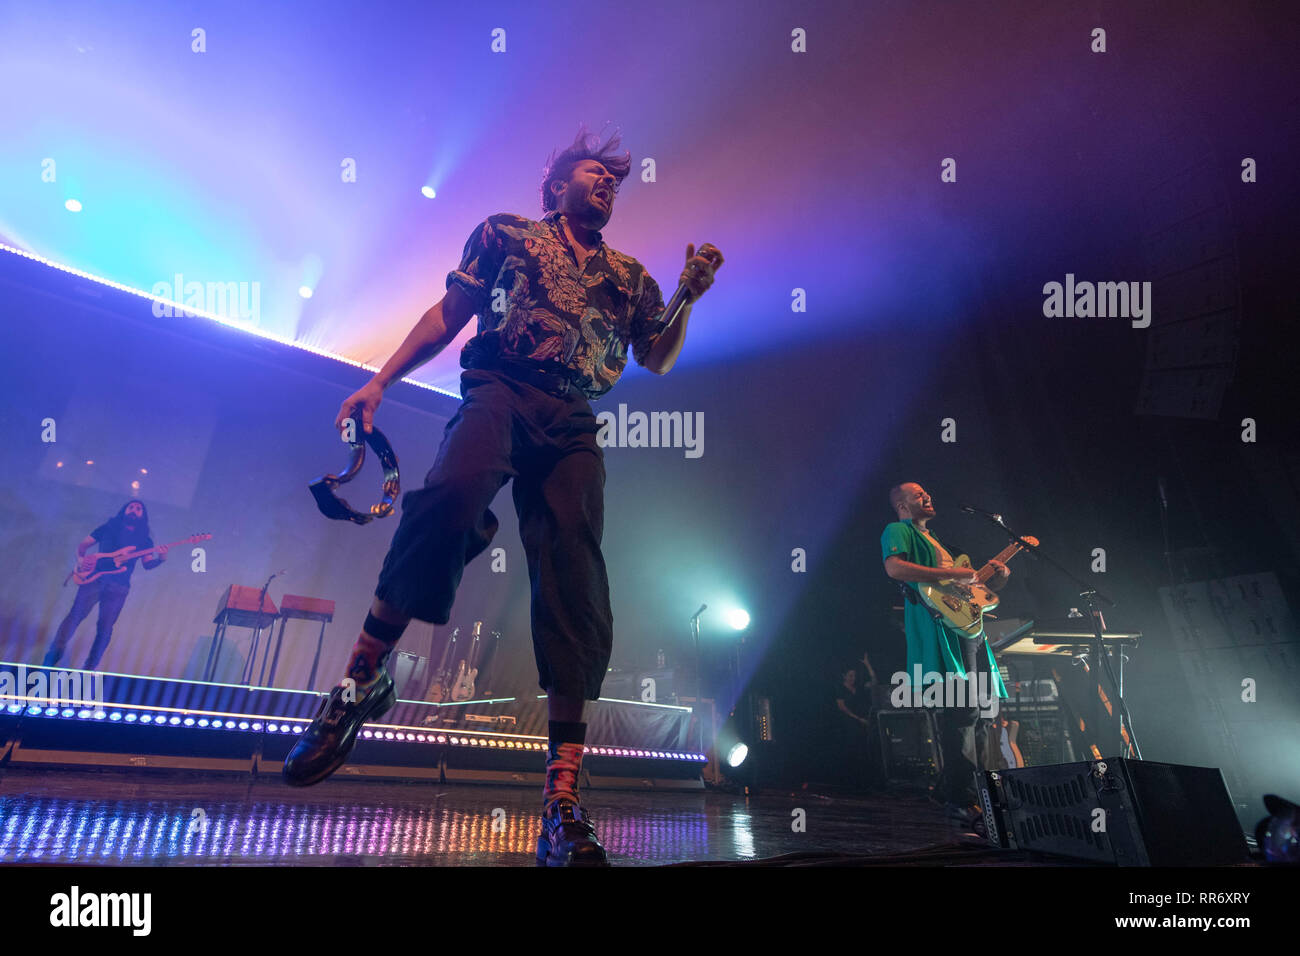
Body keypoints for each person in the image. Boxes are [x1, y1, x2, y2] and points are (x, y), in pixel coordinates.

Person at [283, 126, 723, 867]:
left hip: (573, 415)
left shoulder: (630, 276)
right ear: (556, 187)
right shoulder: (505, 233)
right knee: (451, 496)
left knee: (575, 574)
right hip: (499, 388)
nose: (608, 184)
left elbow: (656, 355)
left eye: (616, 179)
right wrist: (379, 380)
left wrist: (688, 296)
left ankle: (561, 801)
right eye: (593, 173)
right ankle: (361, 681)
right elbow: (446, 314)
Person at [881, 482, 1009, 829]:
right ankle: (960, 799)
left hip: (971, 629)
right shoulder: (897, 530)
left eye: (927, 493)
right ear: (902, 505)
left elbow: (971, 591)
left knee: (983, 713)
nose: (927, 497)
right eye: (918, 495)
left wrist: (995, 581)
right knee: (962, 713)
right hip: (942, 630)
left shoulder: (941, 543)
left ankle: (978, 794)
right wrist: (953, 573)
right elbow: (895, 568)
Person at [43, 499, 168, 669]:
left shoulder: (145, 541)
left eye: (138, 509)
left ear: (143, 515)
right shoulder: (107, 528)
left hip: (119, 587)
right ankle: (51, 658)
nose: (134, 510)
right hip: (94, 579)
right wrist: (80, 562)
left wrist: (161, 558)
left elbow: (147, 564)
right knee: (74, 617)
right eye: (131, 507)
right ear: (124, 510)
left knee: (105, 628)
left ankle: (89, 667)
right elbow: (83, 545)